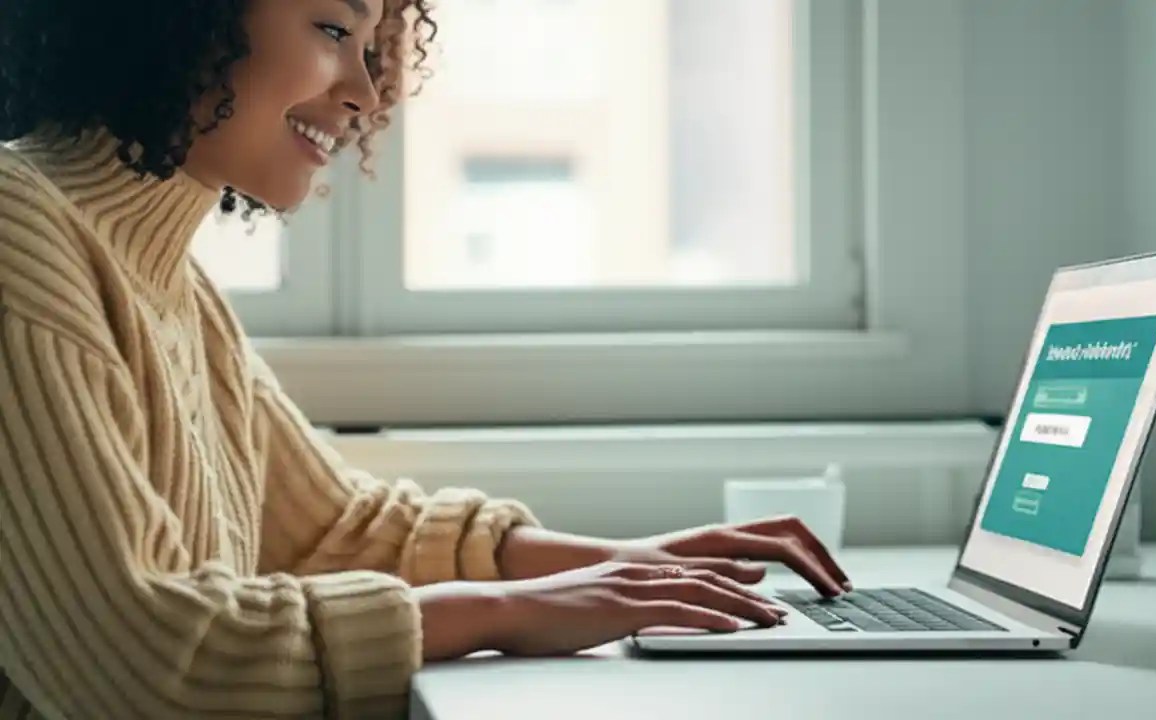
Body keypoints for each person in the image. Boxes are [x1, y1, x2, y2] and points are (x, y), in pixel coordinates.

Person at [0, 1, 851, 717]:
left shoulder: (163, 277)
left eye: (373, 50)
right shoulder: (19, 235)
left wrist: (622, 564)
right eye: (334, 29)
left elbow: (336, 532)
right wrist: (507, 611)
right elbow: (142, 657)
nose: (366, 94)